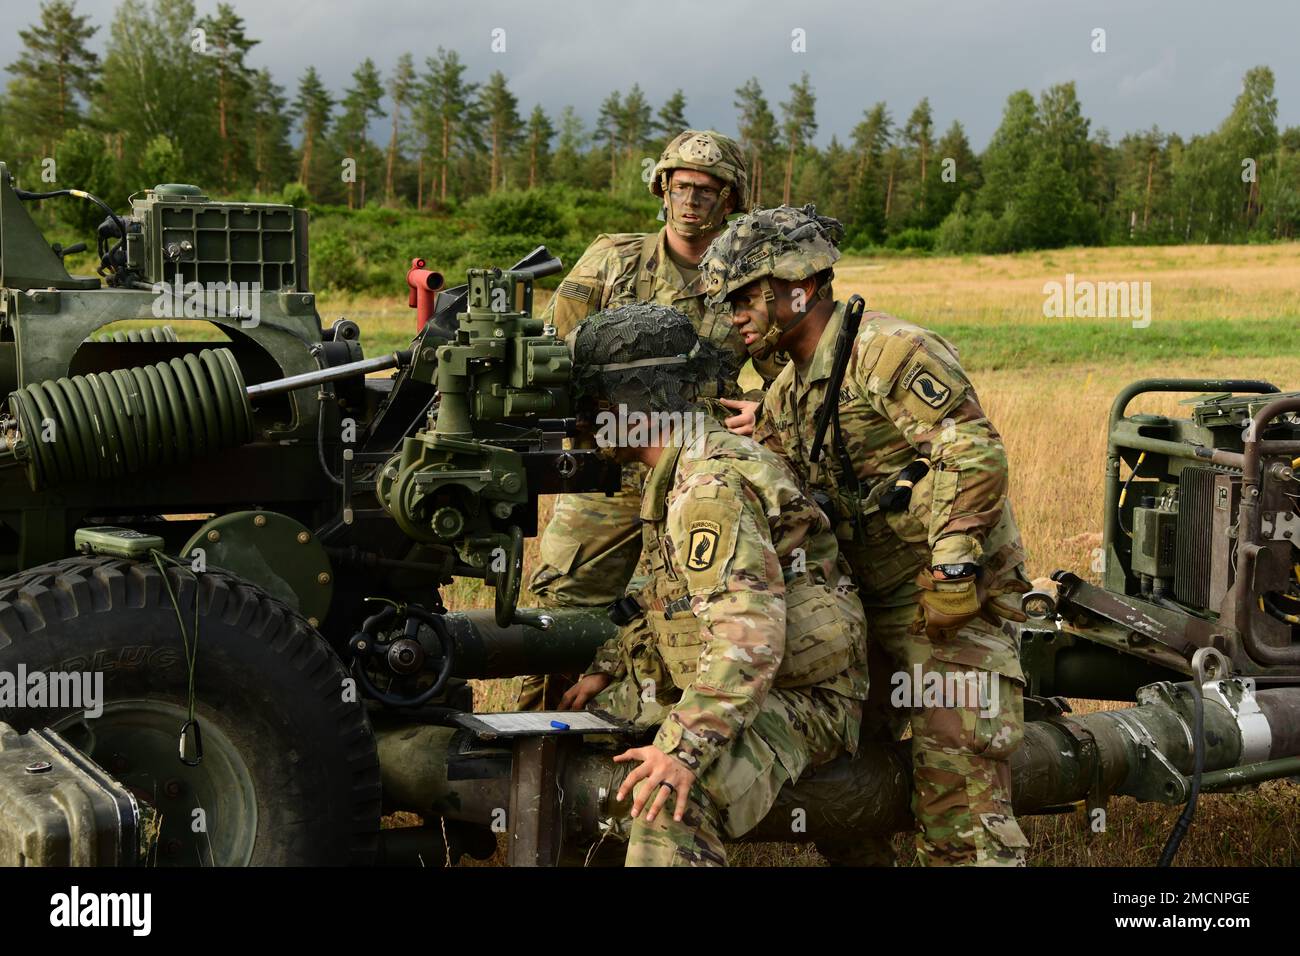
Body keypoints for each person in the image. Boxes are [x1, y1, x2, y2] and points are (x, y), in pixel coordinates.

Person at [698, 205, 1033, 866]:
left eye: (744, 295)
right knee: (838, 780)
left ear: (797, 286)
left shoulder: (888, 350)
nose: (733, 313)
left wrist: (956, 571)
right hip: (867, 603)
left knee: (961, 807)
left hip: (945, 604)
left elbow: (972, 453)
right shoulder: (791, 391)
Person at [556, 302, 869, 867]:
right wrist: (611, 663)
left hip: (805, 698)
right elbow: (665, 593)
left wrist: (680, 750)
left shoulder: (707, 487)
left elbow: (747, 639)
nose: (585, 424)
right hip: (749, 683)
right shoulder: (678, 467)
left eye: (594, 407)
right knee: (587, 744)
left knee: (665, 802)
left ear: (629, 407)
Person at [519, 131, 783, 710]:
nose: (692, 201)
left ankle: (658, 737)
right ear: (662, 188)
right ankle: (532, 745)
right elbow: (549, 349)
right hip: (610, 466)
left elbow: (782, 360)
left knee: (688, 609)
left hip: (697, 469)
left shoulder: (743, 278)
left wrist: (771, 409)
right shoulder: (615, 260)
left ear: (730, 200)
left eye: (708, 191)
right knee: (559, 609)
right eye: (682, 187)